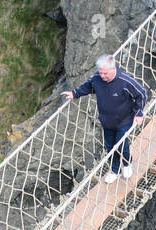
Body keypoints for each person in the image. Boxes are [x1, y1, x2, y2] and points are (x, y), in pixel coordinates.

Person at [63, 54, 149, 183]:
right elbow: (88, 86)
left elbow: (141, 94)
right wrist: (75, 93)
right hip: (106, 121)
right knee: (109, 147)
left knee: (121, 146)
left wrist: (138, 113)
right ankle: (114, 171)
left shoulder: (124, 81)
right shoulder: (97, 79)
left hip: (124, 120)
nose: (103, 76)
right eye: (101, 73)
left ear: (113, 69)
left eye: (105, 73)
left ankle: (127, 164)